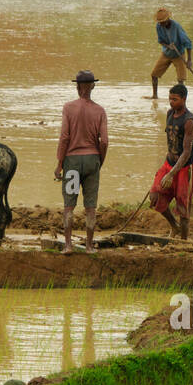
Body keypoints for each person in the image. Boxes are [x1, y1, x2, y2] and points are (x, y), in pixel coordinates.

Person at [55, 70, 109, 254]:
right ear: (93, 86)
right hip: (92, 159)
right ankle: (88, 246)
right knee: (90, 207)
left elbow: (64, 137)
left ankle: (68, 245)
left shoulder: (68, 108)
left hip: (72, 162)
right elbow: (105, 141)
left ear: (77, 87)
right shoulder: (100, 110)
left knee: (69, 205)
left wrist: (59, 164)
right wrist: (99, 161)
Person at [149, 82, 193, 239]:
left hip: (183, 168)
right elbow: (171, 141)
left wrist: (171, 174)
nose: (171, 102)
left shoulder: (189, 121)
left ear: (184, 99)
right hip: (168, 163)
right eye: (169, 99)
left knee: (183, 209)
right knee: (154, 197)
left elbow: (187, 152)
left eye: (174, 99)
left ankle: (183, 242)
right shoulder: (169, 114)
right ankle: (173, 226)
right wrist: (165, 170)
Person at [149, 7, 192, 99]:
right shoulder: (159, 26)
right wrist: (168, 46)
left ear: (168, 19)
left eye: (163, 21)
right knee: (154, 75)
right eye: (160, 22)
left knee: (181, 80)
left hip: (178, 54)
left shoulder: (176, 27)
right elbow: (160, 41)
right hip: (166, 53)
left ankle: (182, 99)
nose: (161, 23)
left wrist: (189, 60)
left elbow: (187, 42)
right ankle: (155, 95)